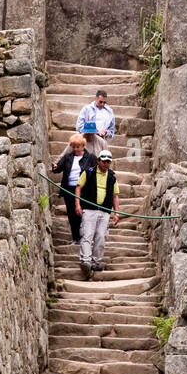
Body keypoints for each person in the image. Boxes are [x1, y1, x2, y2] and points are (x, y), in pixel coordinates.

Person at [75, 148, 120, 280]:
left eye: (108, 162)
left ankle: (95, 262)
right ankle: (85, 261)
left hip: (105, 211)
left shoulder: (112, 176)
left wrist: (116, 213)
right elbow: (78, 187)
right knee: (87, 235)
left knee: (101, 237)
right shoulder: (88, 172)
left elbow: (115, 195)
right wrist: (77, 204)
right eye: (104, 161)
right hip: (89, 209)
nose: (106, 164)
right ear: (98, 161)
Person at [51, 132, 94, 244]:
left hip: (84, 190)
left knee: (82, 213)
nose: (75, 149)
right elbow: (58, 169)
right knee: (71, 214)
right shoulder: (67, 157)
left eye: (78, 146)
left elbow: (95, 171)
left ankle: (85, 236)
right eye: (73, 146)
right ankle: (75, 238)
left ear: (83, 146)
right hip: (69, 189)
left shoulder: (90, 158)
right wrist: (54, 167)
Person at [75, 88, 115, 159]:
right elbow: (79, 126)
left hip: (102, 141)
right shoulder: (87, 109)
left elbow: (112, 130)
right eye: (100, 102)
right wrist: (95, 131)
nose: (102, 104)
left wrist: (106, 132)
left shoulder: (109, 111)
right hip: (87, 139)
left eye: (104, 102)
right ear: (96, 99)